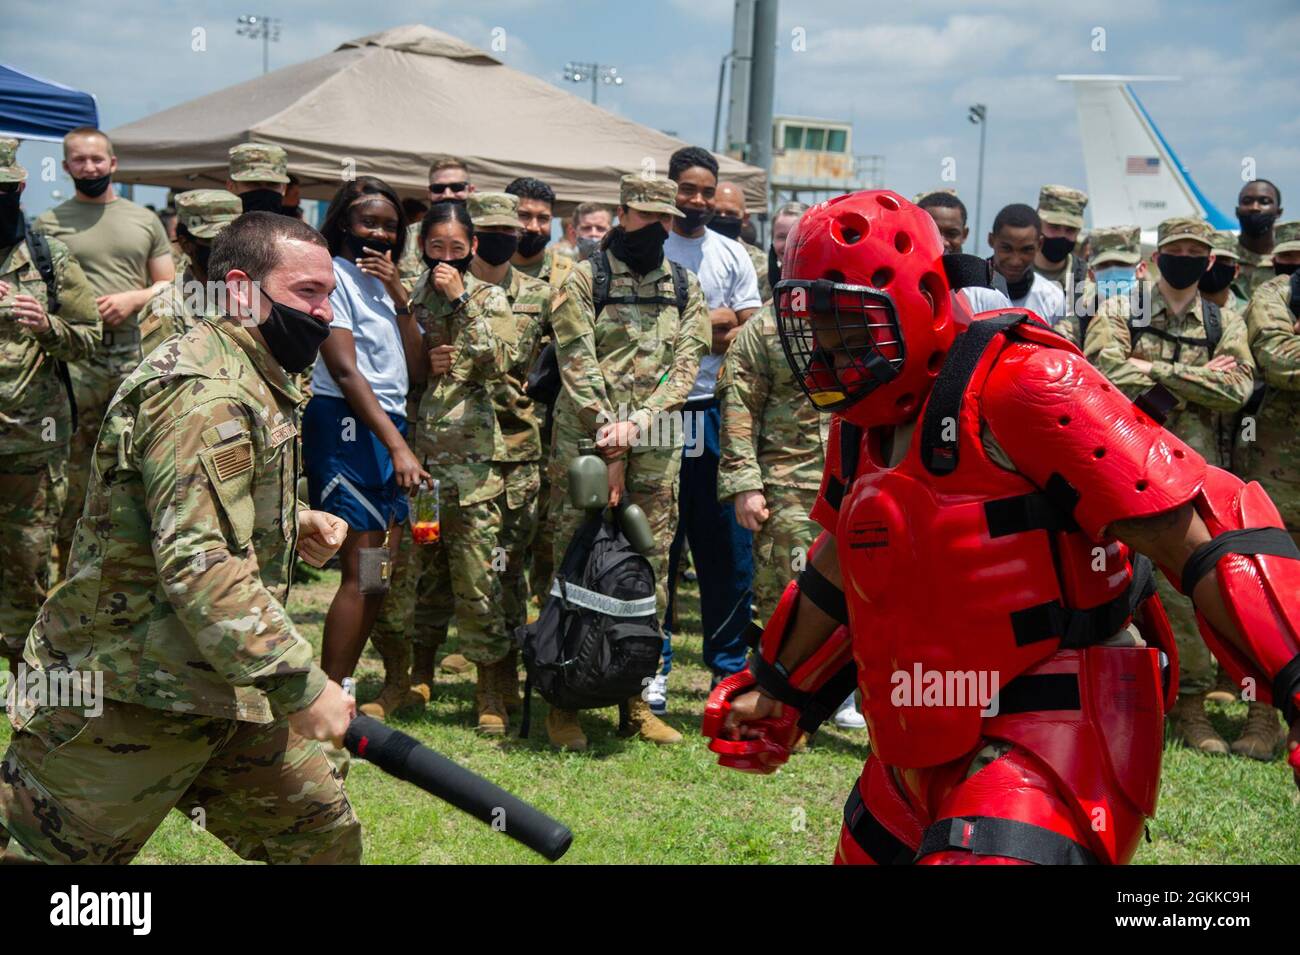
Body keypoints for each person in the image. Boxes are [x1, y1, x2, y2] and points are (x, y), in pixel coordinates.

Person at [705, 189, 1300, 865]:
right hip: (912, 743)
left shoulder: (1029, 381)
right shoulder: (860, 425)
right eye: (816, 323)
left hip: (1056, 736)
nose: (831, 346)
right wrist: (776, 685)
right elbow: (845, 567)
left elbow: (1207, 534)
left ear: (918, 301)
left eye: (848, 322)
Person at [0, 211, 361, 864]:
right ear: (242, 290)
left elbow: (194, 510)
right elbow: (200, 565)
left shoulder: (257, 369)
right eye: (309, 291)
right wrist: (304, 685)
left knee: (320, 839)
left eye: (329, 293)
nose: (326, 313)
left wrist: (293, 519)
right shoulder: (206, 393)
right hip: (132, 689)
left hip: (228, 685)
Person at [546, 173, 710, 750]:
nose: (655, 229)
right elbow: (576, 357)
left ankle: (633, 699)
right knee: (573, 561)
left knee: (649, 570)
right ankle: (560, 700)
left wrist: (636, 425)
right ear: (621, 213)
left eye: (663, 220)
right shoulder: (583, 278)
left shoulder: (686, 287)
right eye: (644, 218)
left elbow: (685, 367)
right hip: (586, 438)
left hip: (655, 439)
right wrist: (609, 433)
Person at [1084, 216, 1255, 757]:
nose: (1185, 258)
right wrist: (1197, 375)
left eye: (1195, 252)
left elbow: (1238, 388)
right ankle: (1124, 702)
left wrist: (1150, 367)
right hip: (1128, 467)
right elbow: (1101, 371)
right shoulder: (1121, 310)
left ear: (1208, 262)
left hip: (1194, 475)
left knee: (1196, 585)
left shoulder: (1221, 319)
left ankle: (1193, 705)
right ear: (1158, 257)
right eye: (1175, 249)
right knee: (1121, 586)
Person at [303, 177, 428, 702]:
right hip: (347, 425)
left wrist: (402, 298)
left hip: (388, 424)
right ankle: (326, 694)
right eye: (368, 223)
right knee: (359, 568)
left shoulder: (386, 283)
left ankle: (343, 687)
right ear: (342, 225)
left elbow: (419, 372)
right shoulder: (330, 276)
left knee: (378, 574)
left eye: (391, 226)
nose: (379, 234)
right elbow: (346, 371)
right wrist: (398, 448)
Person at [33, 126, 176, 574]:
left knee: (136, 459)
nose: (89, 167)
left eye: (97, 159)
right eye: (79, 160)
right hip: (72, 362)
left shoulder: (143, 220)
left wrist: (135, 299)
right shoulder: (46, 224)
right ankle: (71, 572)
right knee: (73, 467)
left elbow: (171, 285)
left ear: (113, 164)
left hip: (134, 355)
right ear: (66, 167)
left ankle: (131, 566)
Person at [407, 200, 520, 736]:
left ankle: (491, 690)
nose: (445, 258)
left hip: (475, 468)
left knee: (480, 580)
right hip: (423, 465)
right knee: (424, 573)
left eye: (457, 248)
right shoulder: (408, 297)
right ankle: (415, 675)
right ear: (423, 248)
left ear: (473, 248)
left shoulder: (490, 296)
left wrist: (462, 300)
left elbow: (499, 361)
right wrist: (423, 358)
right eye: (436, 248)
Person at [661, 146, 763, 703]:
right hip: (661, 414)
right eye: (688, 189)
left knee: (724, 547)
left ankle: (727, 667)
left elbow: (746, 330)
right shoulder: (647, 249)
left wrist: (685, 322)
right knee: (659, 544)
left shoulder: (732, 255)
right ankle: (653, 662)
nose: (697, 201)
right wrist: (711, 322)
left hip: (717, 411)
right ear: (670, 189)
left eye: (706, 191)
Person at [0, 138, 100, 675]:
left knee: (27, 565)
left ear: (19, 188)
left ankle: (27, 678)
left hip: (29, 444)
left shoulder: (47, 257)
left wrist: (47, 326)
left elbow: (89, 336)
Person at [1232, 221, 1300, 759]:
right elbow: (1278, 360)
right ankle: (1263, 717)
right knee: (1269, 599)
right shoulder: (1276, 292)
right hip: (1281, 472)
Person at [138, 189, 241, 357]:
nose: (229, 250)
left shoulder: (255, 293)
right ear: (186, 244)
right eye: (216, 242)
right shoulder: (167, 308)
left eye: (236, 241)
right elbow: (162, 380)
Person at [917, 191, 1012, 314]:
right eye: (931, 231)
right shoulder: (896, 285)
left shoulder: (989, 293)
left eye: (951, 234)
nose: (942, 242)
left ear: (964, 234)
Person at [1057, 224, 1146, 347]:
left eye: (1122, 264)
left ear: (1140, 269)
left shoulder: (1155, 318)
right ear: (1091, 274)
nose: (1113, 271)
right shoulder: (1076, 324)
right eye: (1104, 265)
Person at [398, 155, 475, 286]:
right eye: (438, 189)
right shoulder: (405, 235)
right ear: (429, 192)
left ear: (470, 190)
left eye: (457, 187)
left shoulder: (486, 233)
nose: (447, 194)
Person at [987, 203, 1065, 324]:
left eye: (1026, 250)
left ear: (1039, 245)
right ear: (991, 241)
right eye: (1007, 248)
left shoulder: (1052, 298)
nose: (1015, 261)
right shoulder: (967, 293)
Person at [507, 176, 574, 289]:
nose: (534, 227)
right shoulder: (483, 271)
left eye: (543, 218)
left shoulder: (570, 276)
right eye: (524, 216)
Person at [712, 180, 771, 303]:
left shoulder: (761, 264)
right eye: (716, 212)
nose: (722, 217)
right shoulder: (696, 252)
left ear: (745, 218)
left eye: (730, 213)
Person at [1032, 184, 1089, 295]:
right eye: (1054, 226)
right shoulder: (1012, 272)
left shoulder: (1088, 280)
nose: (1061, 235)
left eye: (1070, 230)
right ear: (1037, 223)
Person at [1234, 179, 1282, 300]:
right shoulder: (1222, 260)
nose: (1255, 208)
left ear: (1278, 212)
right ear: (1237, 211)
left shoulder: (1288, 260)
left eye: (1264, 202)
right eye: (1247, 201)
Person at [225, 142, 291, 215]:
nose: (263, 191)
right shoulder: (219, 226)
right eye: (253, 183)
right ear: (230, 186)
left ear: (284, 188)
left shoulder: (294, 226)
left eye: (272, 184)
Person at [1201, 229, 1246, 314]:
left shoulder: (1247, 312)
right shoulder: (1178, 310)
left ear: (1236, 270)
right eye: (1208, 259)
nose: (1212, 265)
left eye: (1221, 260)